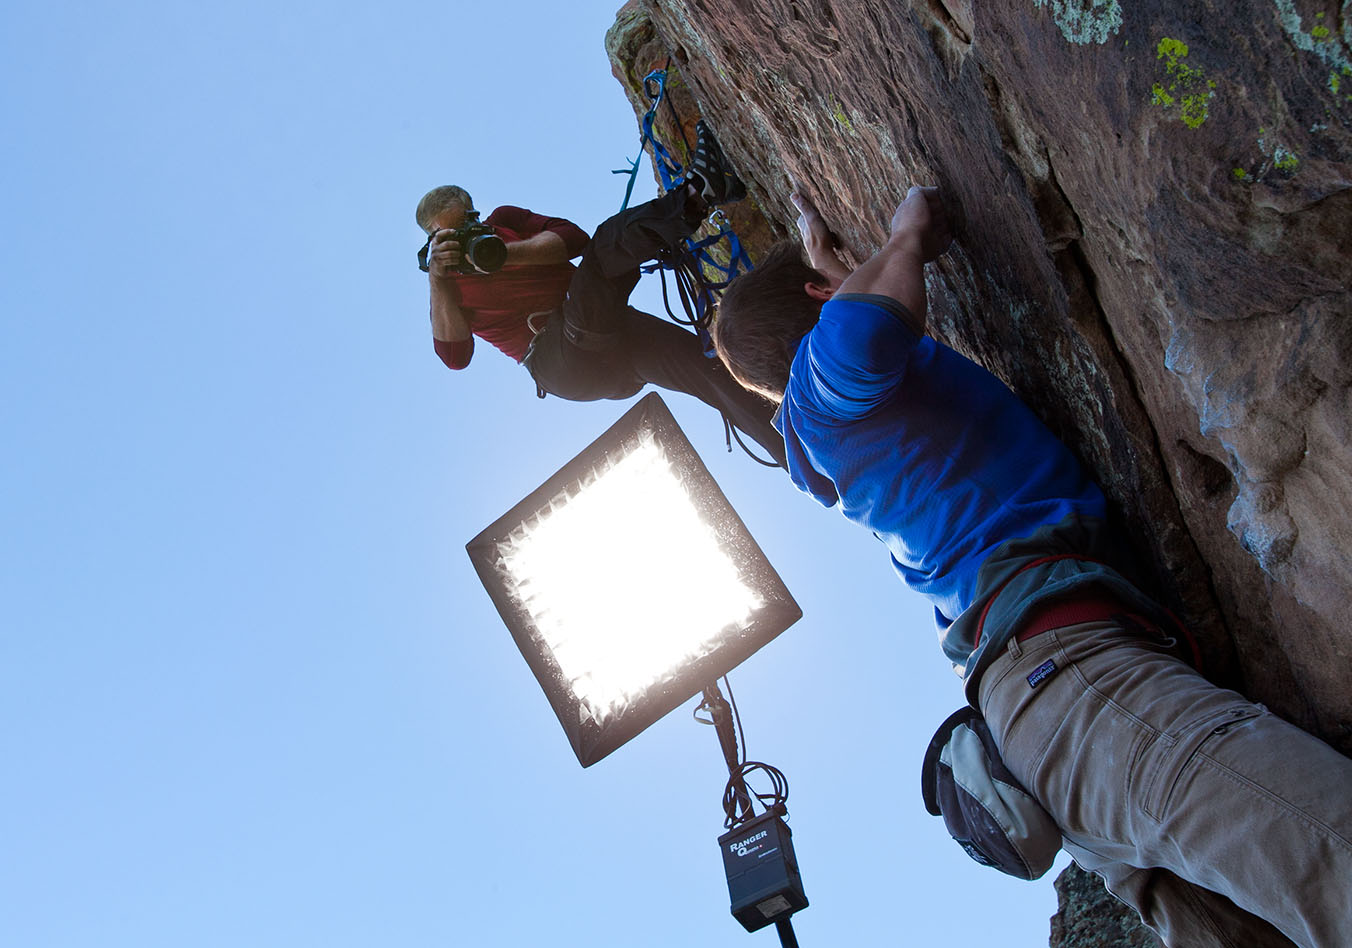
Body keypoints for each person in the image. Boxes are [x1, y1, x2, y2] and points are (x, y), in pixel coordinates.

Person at [711, 184, 1352, 948]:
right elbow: (858, 331)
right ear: (818, 303)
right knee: (1330, 855)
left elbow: (848, 327)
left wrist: (839, 268)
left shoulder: (824, 442)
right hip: (1078, 690)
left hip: (1057, 730)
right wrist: (906, 232)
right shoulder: (821, 390)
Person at [416, 124, 784, 466]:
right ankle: (697, 193)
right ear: (432, 241)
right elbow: (454, 356)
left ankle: (802, 454)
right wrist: (439, 279)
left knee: (712, 370)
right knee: (610, 241)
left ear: (476, 215)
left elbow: (575, 240)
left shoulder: (504, 222)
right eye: (446, 236)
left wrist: (504, 252)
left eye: (466, 224)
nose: (463, 239)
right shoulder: (445, 287)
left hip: (606, 329)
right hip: (558, 359)